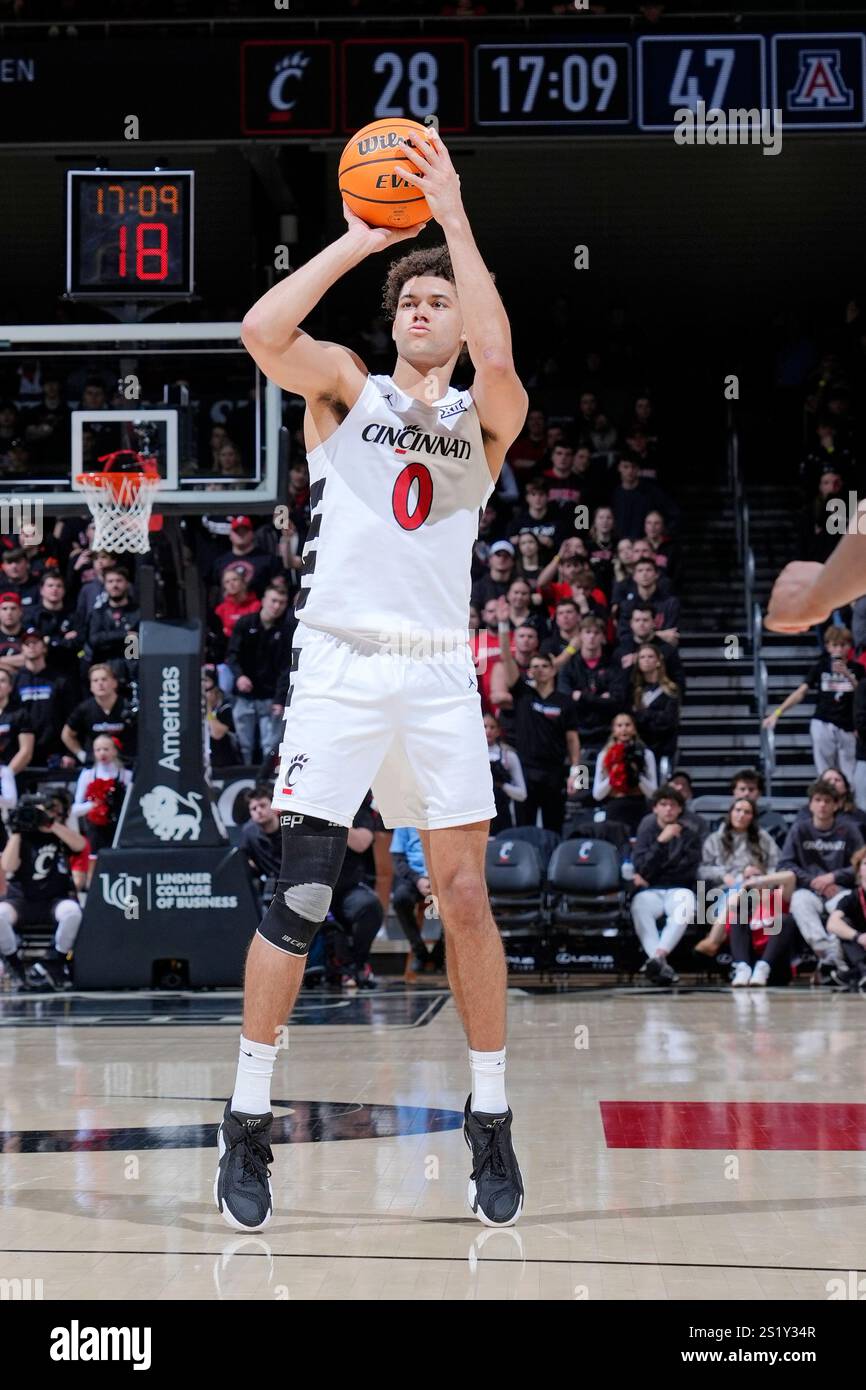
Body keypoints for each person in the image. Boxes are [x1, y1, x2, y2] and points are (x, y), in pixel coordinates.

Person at [215, 136, 528, 1233]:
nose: (423, 310)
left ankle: (487, 1112)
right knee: (298, 892)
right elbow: (261, 333)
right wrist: (361, 238)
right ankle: (247, 1115)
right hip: (342, 662)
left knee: (466, 901)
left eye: (438, 299)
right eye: (412, 300)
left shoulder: (485, 419)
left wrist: (454, 220)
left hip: (438, 669)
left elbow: (497, 359)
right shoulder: (345, 390)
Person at [494, 598, 581, 833]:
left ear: (553, 669)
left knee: (554, 827)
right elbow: (506, 658)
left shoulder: (564, 702)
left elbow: (573, 740)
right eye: (534, 667)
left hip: (555, 772)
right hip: (525, 771)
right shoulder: (523, 693)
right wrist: (503, 625)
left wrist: (577, 775)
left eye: (544, 666)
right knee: (524, 827)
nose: (538, 670)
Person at [0, 788, 86, 991]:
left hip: (55, 898)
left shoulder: (59, 832)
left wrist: (51, 824)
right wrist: (18, 831)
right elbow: (8, 866)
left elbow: (80, 844)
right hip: (22, 899)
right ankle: (13, 961)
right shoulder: (22, 836)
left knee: (72, 913)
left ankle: (55, 960)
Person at [779, 778, 863, 982]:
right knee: (799, 901)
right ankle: (828, 954)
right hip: (809, 890)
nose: (822, 805)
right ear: (810, 804)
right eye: (818, 800)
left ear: (836, 805)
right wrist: (814, 881)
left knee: (844, 908)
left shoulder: (849, 829)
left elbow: (860, 863)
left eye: (827, 801)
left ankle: (838, 964)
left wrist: (833, 876)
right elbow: (785, 864)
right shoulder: (799, 829)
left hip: (840, 889)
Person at [692, 797, 795, 963]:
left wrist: (760, 874)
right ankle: (719, 938)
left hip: (758, 887)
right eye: (738, 810)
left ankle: (714, 939)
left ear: (752, 817)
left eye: (747, 812)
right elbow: (702, 870)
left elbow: (778, 866)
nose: (741, 815)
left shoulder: (763, 838)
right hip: (722, 890)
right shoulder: (715, 839)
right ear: (730, 813)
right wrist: (724, 875)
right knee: (738, 891)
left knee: (743, 890)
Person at [763, 624, 861, 783]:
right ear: (828, 647)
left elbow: (862, 694)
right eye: (835, 645)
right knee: (825, 773)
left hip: (848, 726)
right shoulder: (820, 667)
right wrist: (777, 713)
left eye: (843, 645)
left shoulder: (858, 669)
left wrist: (847, 674)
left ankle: (847, 805)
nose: (839, 649)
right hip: (823, 722)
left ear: (849, 647)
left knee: (849, 774)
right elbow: (801, 692)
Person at [630, 785, 701, 985]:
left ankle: (657, 957)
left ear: (680, 809)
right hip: (651, 890)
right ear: (655, 808)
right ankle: (660, 963)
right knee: (639, 906)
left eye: (673, 805)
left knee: (686, 904)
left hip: (679, 888)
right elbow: (641, 867)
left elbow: (688, 871)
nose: (668, 809)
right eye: (663, 804)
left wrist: (652, 873)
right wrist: (661, 841)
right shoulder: (647, 832)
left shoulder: (690, 835)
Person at [225, 585, 293, 764]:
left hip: (269, 697)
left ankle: (266, 784)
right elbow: (232, 655)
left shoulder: (286, 630)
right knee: (244, 743)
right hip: (243, 696)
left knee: (269, 744)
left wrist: (280, 699)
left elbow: (287, 668)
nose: (277, 606)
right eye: (274, 600)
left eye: (282, 602)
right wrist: (239, 676)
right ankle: (242, 779)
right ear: (263, 600)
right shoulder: (245, 623)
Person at [70, 733, 132, 878]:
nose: (102, 753)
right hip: (95, 827)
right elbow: (75, 808)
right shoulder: (88, 775)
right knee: (94, 860)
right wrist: (93, 806)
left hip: (118, 826)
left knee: (118, 860)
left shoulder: (126, 775)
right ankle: (93, 889)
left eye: (106, 749)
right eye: (98, 750)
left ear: (114, 751)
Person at [391, 824, 445, 979]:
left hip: (442, 877)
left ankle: (438, 953)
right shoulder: (405, 821)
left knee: (459, 903)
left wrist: (436, 879)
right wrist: (418, 880)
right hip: (414, 878)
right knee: (400, 899)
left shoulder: (444, 817)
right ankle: (419, 951)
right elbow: (398, 860)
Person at [593, 712, 658, 834]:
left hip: (638, 806)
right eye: (619, 725)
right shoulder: (604, 755)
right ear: (613, 729)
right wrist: (614, 774)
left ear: (634, 729)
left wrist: (637, 775)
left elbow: (653, 793)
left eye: (628, 725)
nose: (624, 729)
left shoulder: (646, 754)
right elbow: (597, 794)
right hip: (614, 807)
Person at [826, 846, 866, 991]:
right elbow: (832, 923)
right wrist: (859, 937)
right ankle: (862, 971)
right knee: (843, 925)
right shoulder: (851, 897)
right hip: (860, 951)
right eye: (865, 864)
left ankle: (853, 975)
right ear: (859, 870)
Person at [484, 711, 527, 834]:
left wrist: (501, 785)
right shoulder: (471, 755)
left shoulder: (508, 755)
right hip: (480, 815)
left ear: (498, 731)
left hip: (503, 816)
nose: (488, 731)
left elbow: (522, 794)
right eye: (484, 727)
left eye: (492, 727)